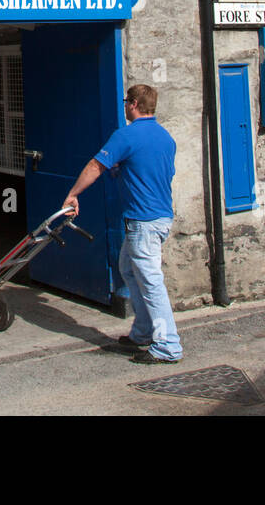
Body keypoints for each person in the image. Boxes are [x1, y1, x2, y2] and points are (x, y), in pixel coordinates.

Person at [62, 84, 182, 364]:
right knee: (128, 268)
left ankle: (168, 345)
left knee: (150, 281)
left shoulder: (126, 135)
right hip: (159, 217)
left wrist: (73, 194)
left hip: (143, 221)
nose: (125, 105)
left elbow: (95, 166)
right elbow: (154, 171)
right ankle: (142, 332)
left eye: (127, 101)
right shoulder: (165, 137)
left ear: (135, 104)